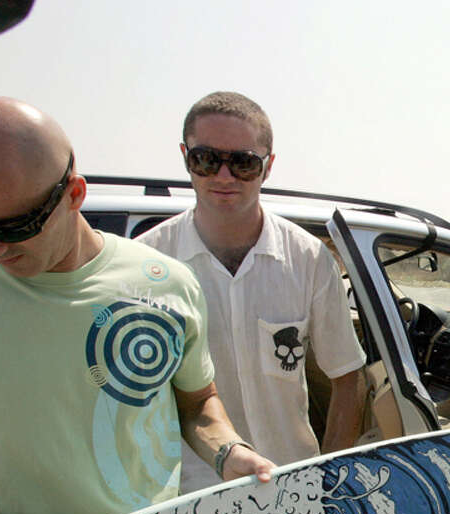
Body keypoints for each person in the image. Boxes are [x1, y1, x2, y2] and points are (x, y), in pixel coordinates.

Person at [0, 97, 275, 514]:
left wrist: (231, 453)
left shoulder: (167, 283)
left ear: (74, 193)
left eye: (12, 229)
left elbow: (196, 402)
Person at [138, 92, 366, 492]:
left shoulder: (308, 259)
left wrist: (329, 481)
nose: (224, 177)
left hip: (291, 486)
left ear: (268, 166)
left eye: (243, 163)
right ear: (185, 156)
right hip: (186, 499)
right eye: (206, 159)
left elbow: (348, 376)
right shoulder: (148, 262)